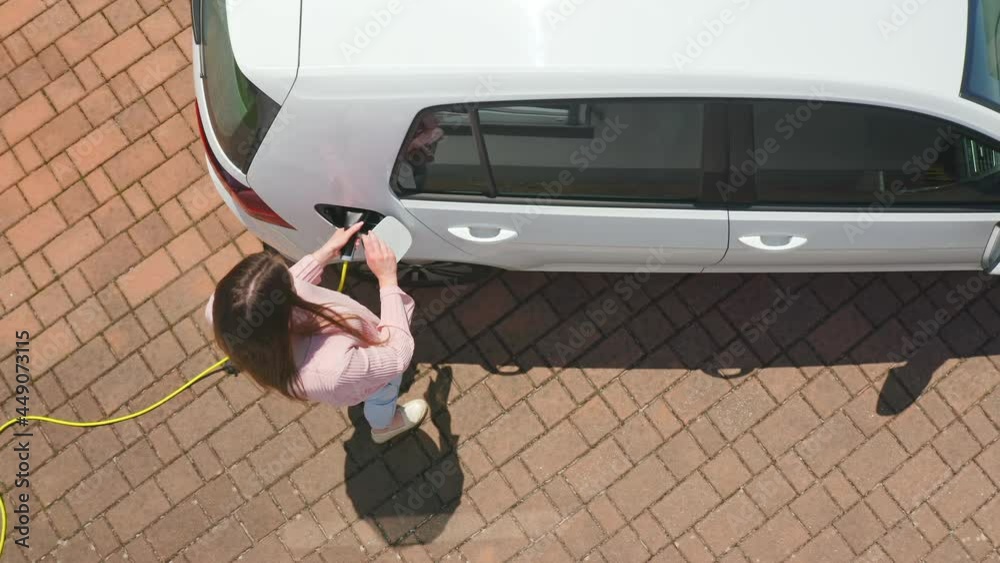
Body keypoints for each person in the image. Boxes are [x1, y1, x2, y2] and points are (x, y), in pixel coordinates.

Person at [205, 223, 426, 443]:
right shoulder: (336, 369)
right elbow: (398, 355)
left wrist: (325, 253)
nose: (293, 280)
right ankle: (384, 426)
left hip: (349, 375)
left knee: (363, 384)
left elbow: (280, 288)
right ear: (285, 316)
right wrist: (387, 280)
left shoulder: (223, 310)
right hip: (364, 373)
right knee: (381, 395)